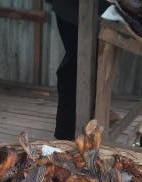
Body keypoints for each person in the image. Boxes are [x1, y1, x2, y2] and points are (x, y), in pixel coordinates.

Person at [51, 0, 109, 140]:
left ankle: (87, 118)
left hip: (95, 12)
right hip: (76, 11)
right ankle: (65, 132)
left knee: (87, 67)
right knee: (73, 69)